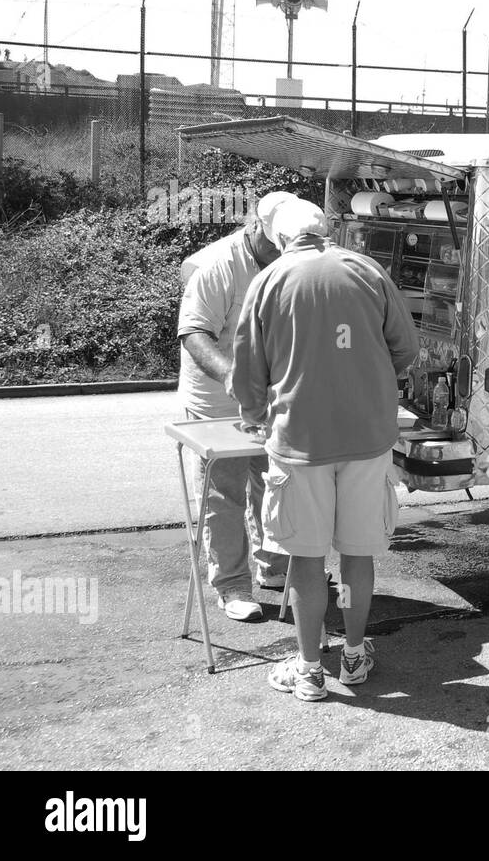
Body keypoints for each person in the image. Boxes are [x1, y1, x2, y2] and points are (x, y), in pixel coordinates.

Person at [231, 199, 418, 701]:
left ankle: (309, 669)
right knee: (358, 553)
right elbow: (406, 349)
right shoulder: (367, 270)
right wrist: (368, 376)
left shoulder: (269, 281)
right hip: (367, 439)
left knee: (306, 558)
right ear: (327, 229)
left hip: (300, 443)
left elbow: (247, 369)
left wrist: (253, 415)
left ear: (277, 238)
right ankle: (354, 656)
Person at [177, 190, 295, 621]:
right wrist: (232, 377)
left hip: (270, 398)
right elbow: (193, 333)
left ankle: (275, 568)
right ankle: (231, 585)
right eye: (275, 242)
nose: (282, 250)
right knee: (222, 492)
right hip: (215, 401)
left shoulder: (291, 258)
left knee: (274, 479)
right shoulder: (219, 266)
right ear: (254, 227)